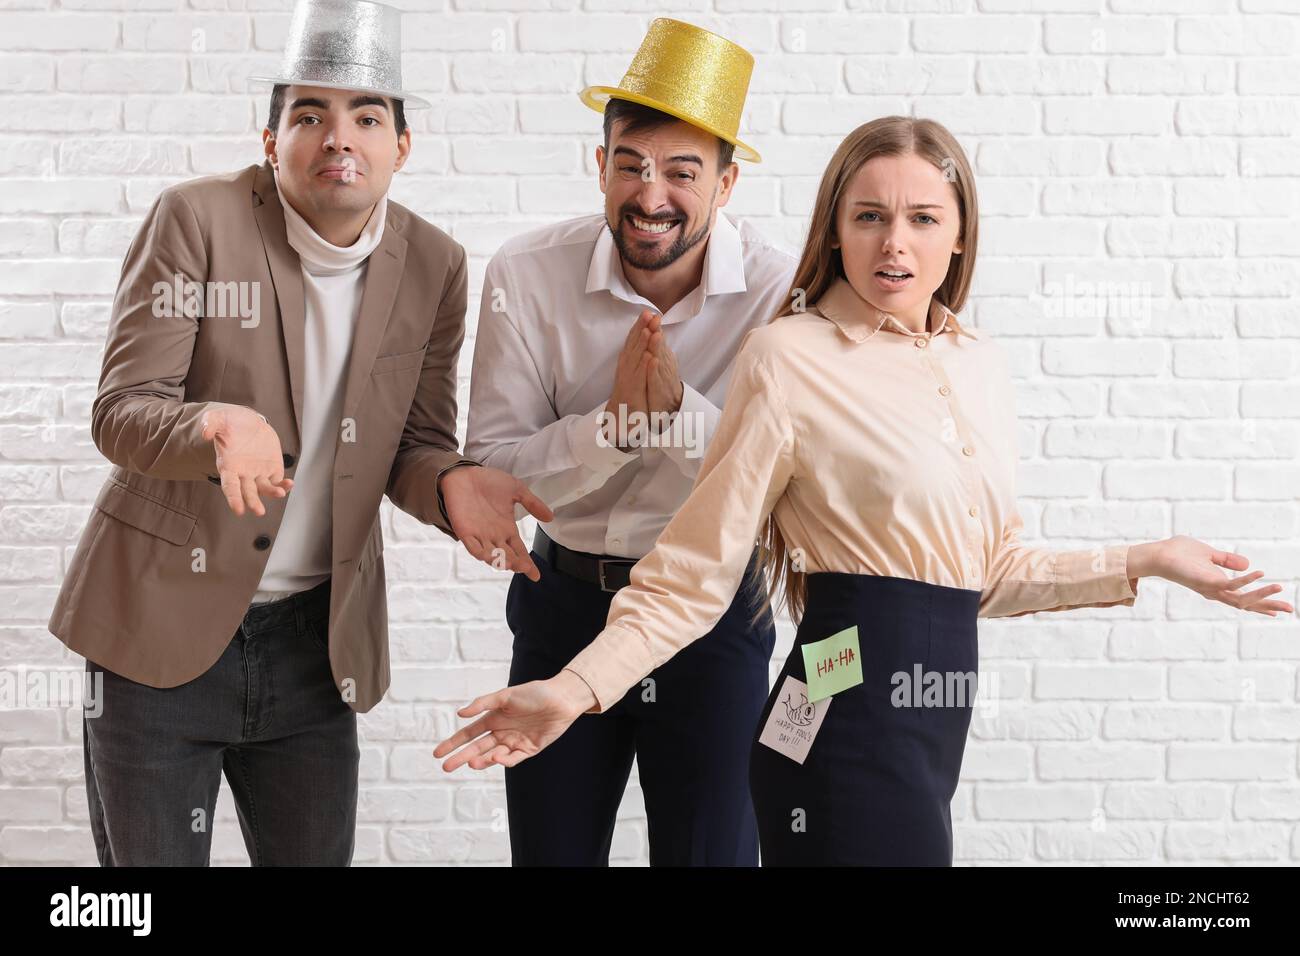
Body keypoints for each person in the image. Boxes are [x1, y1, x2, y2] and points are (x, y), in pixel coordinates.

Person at [434, 115, 1295, 866]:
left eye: (923, 219)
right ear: (836, 231)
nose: (895, 243)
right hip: (838, 720)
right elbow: (697, 571)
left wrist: (1153, 558)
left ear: (959, 235)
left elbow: (983, 572)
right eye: (869, 217)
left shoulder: (979, 365)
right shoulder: (791, 357)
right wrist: (576, 689)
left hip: (922, 721)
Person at [52, 0, 549, 866]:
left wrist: (448, 483)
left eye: (366, 115)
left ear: (403, 144)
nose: (338, 138)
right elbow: (121, 410)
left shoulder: (435, 266)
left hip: (315, 646)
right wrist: (214, 422)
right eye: (309, 115)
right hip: (159, 630)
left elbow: (413, 442)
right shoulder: (196, 222)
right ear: (270, 136)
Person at [461, 18, 796, 865]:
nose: (652, 196)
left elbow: (776, 477)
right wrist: (612, 431)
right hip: (563, 604)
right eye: (630, 165)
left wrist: (675, 412)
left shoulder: (777, 292)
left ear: (725, 186)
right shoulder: (525, 276)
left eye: (684, 172)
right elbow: (494, 468)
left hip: (712, 617)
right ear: (598, 166)